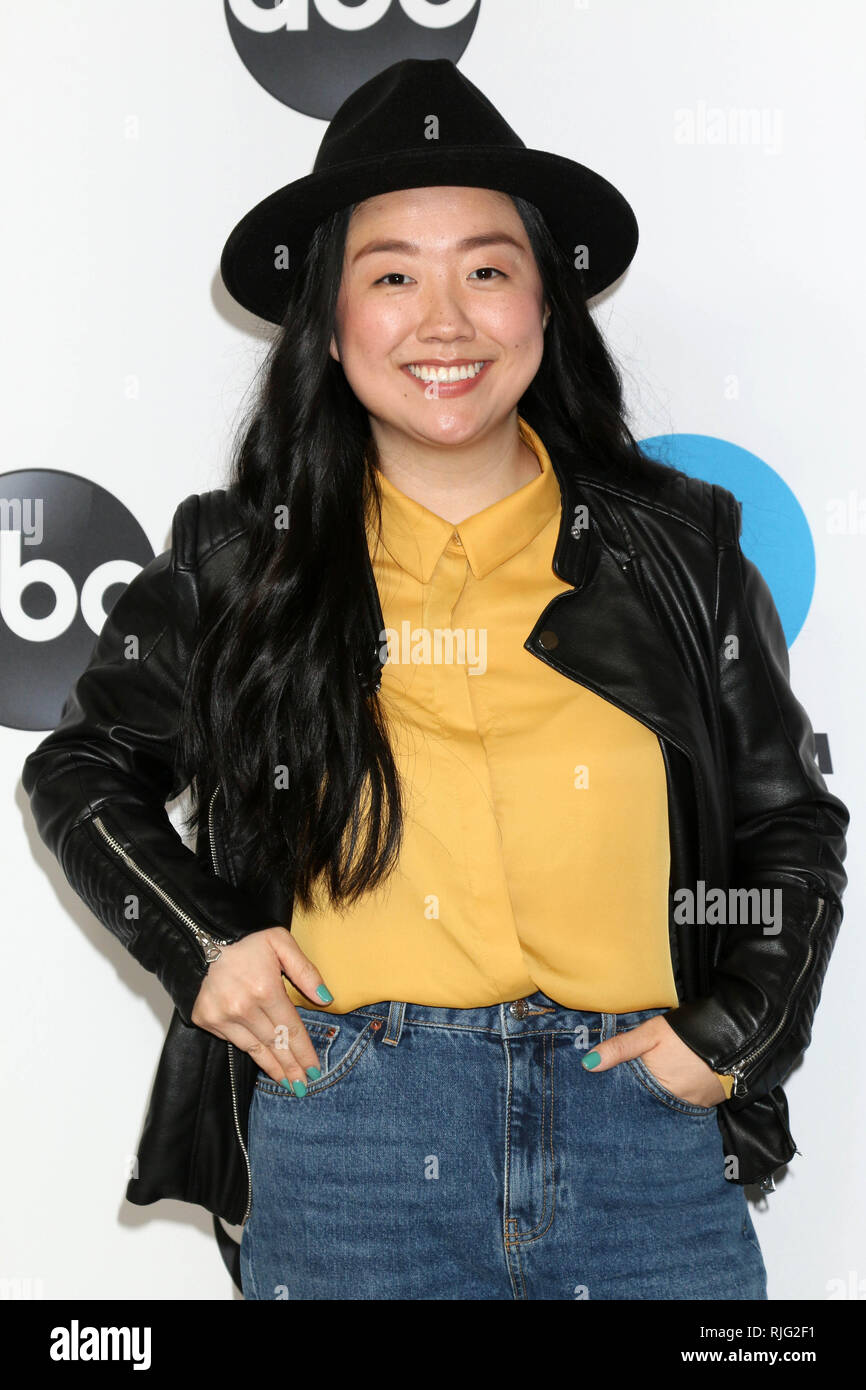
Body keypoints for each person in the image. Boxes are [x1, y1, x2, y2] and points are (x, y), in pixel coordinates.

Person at [22, 58, 849, 1301]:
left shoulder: (682, 545)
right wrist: (209, 945)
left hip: (640, 1129)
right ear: (331, 320)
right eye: (392, 275)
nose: (444, 319)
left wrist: (727, 1037)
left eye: (487, 268)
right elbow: (81, 766)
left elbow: (789, 822)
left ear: (542, 308)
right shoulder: (238, 558)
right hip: (347, 1129)